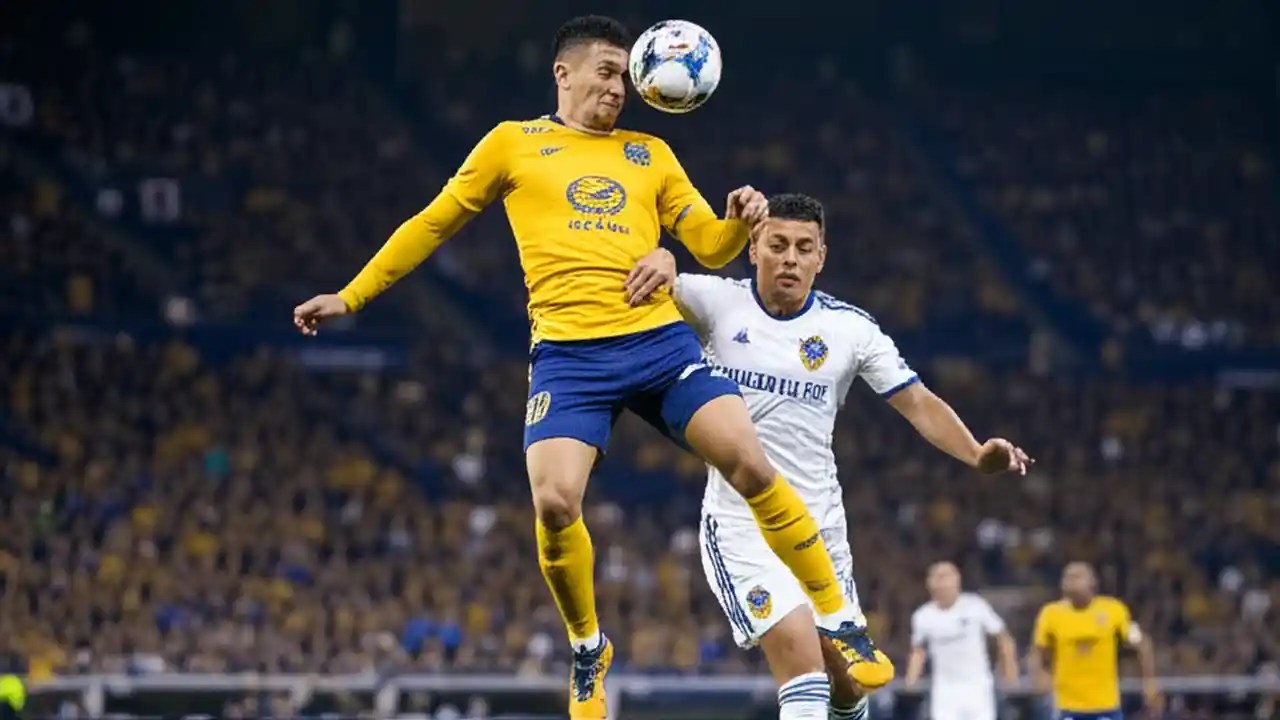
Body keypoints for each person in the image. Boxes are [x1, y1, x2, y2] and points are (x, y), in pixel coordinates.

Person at [292, 17, 866, 719]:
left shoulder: (649, 153)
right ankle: (589, 647)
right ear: (562, 73)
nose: (618, 87)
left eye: (625, 76)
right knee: (556, 502)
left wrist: (741, 218)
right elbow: (434, 221)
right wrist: (352, 294)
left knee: (748, 460)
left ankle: (840, 617)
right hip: (569, 358)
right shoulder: (513, 143)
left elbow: (712, 248)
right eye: (605, 71)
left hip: (656, 343)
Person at [626, 193, 1031, 720]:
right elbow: (635, 279)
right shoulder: (715, 302)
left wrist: (977, 454)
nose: (790, 258)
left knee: (846, 685)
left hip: (820, 530)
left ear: (822, 256)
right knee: (804, 670)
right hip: (742, 527)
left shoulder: (851, 330)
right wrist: (659, 258)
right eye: (777, 245)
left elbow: (919, 404)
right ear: (754, 249)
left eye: (803, 247)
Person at [1028, 562, 1159, 720]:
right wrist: (1038, 675)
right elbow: (1037, 651)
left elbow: (1142, 645)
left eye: (1078, 577)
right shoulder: (1051, 614)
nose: (1072, 582)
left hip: (1106, 706)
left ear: (1092, 581)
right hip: (1067, 707)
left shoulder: (1113, 610)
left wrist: (1149, 683)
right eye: (1068, 577)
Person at [904, 561, 1019, 720]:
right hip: (945, 690)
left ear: (957, 580)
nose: (942, 583)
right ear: (929, 584)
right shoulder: (923, 616)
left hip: (977, 686)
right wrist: (911, 680)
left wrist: (1010, 669)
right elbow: (918, 651)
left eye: (946, 577)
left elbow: (1004, 638)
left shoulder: (975, 606)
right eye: (937, 578)